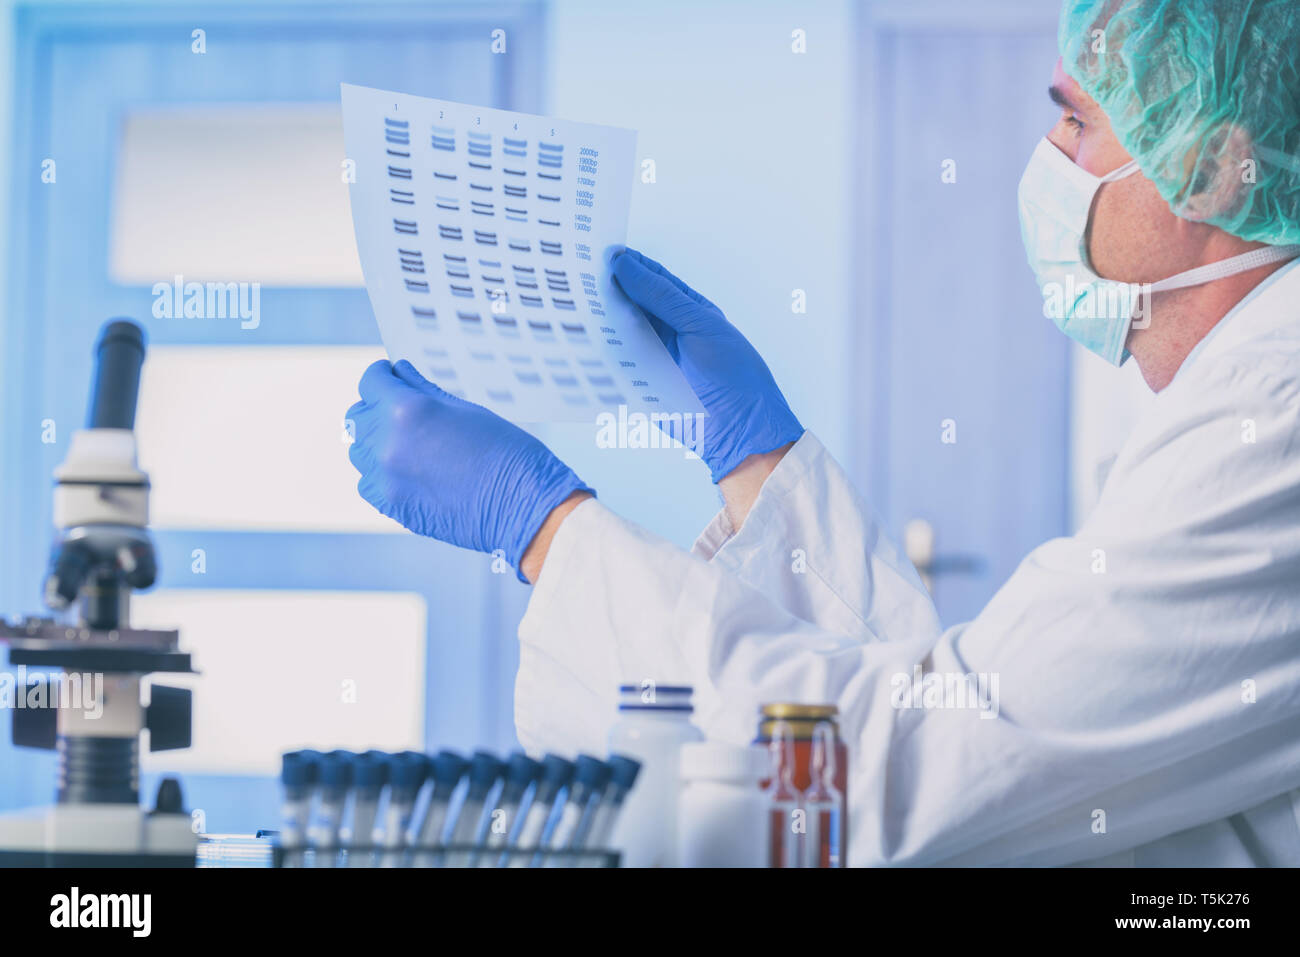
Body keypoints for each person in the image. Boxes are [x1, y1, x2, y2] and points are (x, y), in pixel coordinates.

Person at [345, 0, 1300, 865]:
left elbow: (912, 776)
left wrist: (546, 528)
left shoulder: (1273, 413)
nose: (1048, 157)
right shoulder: (1242, 391)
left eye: (1077, 121)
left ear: (1211, 169)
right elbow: (972, 730)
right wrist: (760, 465)